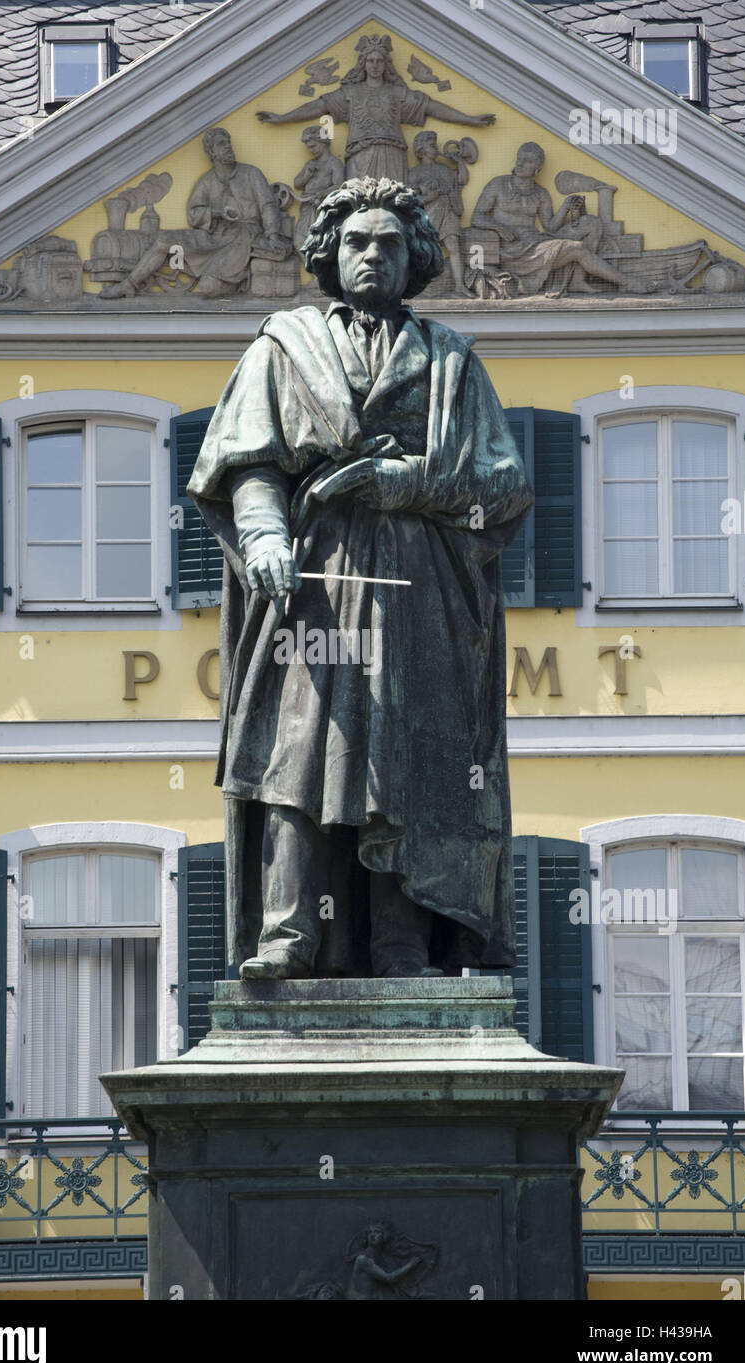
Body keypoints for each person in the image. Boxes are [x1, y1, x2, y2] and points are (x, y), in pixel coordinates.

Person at [188, 177, 533, 981]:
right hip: (312, 578)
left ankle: (403, 946)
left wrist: (401, 485)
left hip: (423, 590)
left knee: (410, 762)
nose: (370, 254)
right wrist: (265, 535)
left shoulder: (449, 358)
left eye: (387, 242)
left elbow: (503, 483)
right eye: (355, 242)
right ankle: (288, 933)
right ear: (328, 255)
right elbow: (249, 461)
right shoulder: (283, 344)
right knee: (298, 752)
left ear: (413, 256)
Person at [257, 32, 494, 183]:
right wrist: (282, 118)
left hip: (392, 154)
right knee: (358, 210)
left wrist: (470, 120)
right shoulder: (351, 93)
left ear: (386, 63)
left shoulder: (396, 92)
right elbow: (319, 107)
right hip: (360, 155)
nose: (375, 65)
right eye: (370, 60)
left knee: (395, 210)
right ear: (363, 63)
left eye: (379, 60)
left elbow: (431, 107)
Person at [100, 128, 290, 299]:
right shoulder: (207, 181)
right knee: (164, 240)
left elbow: (268, 205)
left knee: (208, 288)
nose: (228, 147)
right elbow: (194, 213)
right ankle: (128, 284)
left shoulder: (251, 174)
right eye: (221, 144)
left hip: (242, 239)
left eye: (228, 143)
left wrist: (273, 235)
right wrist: (217, 213)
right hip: (213, 237)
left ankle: (242, 278)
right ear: (211, 152)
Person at [471, 141, 629, 297]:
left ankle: (577, 280)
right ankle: (626, 282)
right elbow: (476, 216)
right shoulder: (498, 185)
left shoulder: (541, 193)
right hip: (511, 250)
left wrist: (566, 206)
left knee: (592, 223)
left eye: (528, 161)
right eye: (519, 159)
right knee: (577, 248)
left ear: (537, 169)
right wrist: (499, 228)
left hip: (535, 243)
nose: (520, 164)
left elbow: (550, 228)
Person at [407, 130, 470, 294]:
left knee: (453, 246)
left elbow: (462, 180)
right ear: (421, 150)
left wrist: (459, 162)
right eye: (432, 145)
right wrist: (429, 197)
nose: (436, 148)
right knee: (424, 249)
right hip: (429, 213)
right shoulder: (414, 174)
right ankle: (419, 287)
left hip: (448, 210)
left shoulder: (444, 169)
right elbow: (411, 201)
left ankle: (460, 286)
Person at [292, 126, 345, 251]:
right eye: (309, 147)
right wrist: (307, 175)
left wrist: (323, 193)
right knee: (299, 241)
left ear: (323, 143)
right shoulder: (311, 164)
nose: (311, 150)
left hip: (323, 208)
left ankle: (320, 268)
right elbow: (297, 184)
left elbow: (339, 185)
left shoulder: (334, 163)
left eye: (313, 146)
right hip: (307, 206)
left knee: (323, 241)